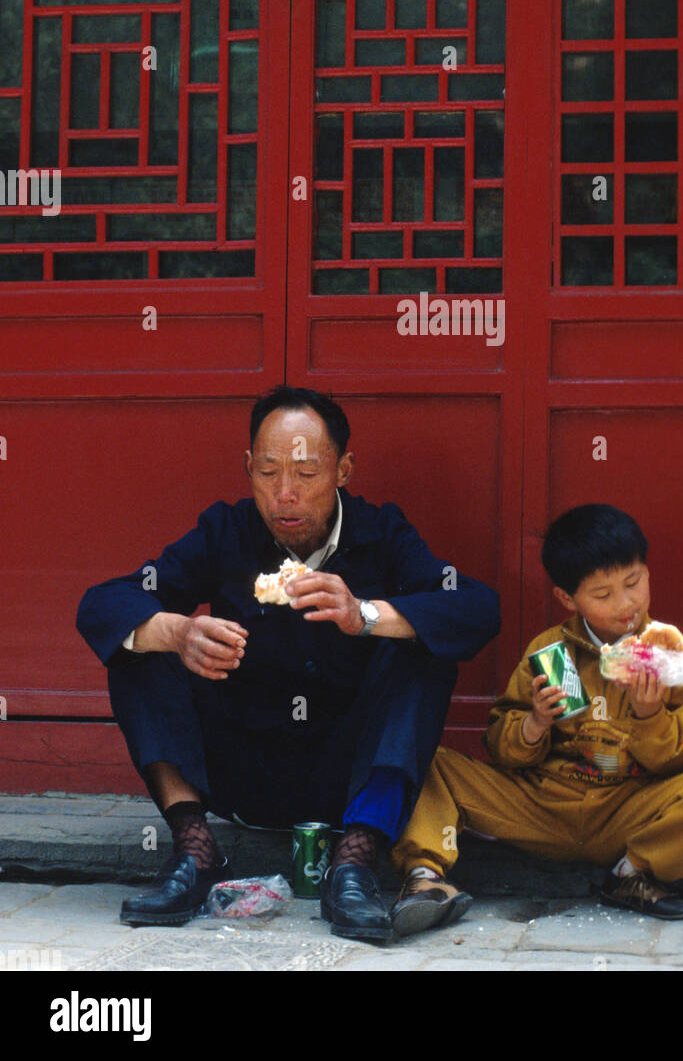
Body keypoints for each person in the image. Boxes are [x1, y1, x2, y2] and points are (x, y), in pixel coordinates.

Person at [76, 385, 500, 941]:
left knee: (423, 646)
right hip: (241, 763)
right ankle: (195, 851)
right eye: (268, 472)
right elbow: (102, 602)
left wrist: (366, 615)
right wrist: (177, 632)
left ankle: (354, 862)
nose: (284, 496)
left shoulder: (382, 534)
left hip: (343, 776)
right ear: (248, 467)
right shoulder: (226, 529)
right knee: (136, 642)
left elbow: (476, 607)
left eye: (305, 474)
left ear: (344, 469)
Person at [389, 503, 683, 936]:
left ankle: (631, 873)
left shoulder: (668, 654)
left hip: (627, 810)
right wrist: (535, 724)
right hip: (542, 809)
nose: (625, 604)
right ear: (567, 597)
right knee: (429, 760)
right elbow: (502, 747)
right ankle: (426, 876)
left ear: (648, 573)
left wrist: (652, 718)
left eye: (634, 583)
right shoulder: (554, 652)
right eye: (602, 594)